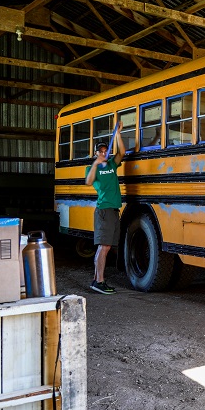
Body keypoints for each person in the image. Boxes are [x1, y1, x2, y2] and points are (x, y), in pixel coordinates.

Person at [84, 122, 125, 294]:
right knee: (104, 246)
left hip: (114, 209)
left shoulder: (111, 165)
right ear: (95, 153)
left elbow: (121, 152)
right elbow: (88, 182)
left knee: (107, 246)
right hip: (104, 210)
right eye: (100, 151)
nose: (103, 153)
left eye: (104, 151)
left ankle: (97, 280)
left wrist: (118, 135)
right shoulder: (92, 168)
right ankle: (99, 281)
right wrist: (95, 163)